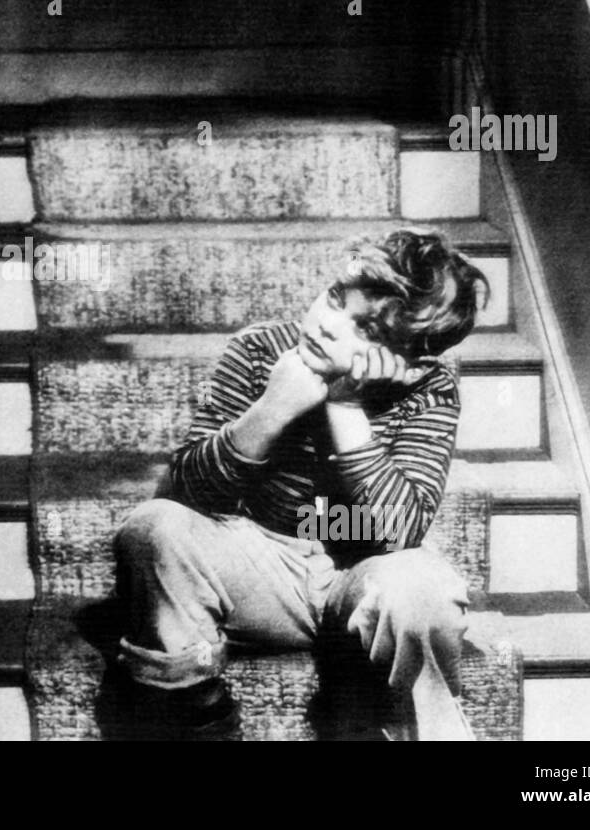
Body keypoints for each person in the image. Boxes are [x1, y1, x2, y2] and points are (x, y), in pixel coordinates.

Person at [106, 229, 488, 740]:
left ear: (411, 362)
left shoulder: (429, 389)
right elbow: (187, 495)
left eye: (368, 329)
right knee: (153, 527)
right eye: (335, 299)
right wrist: (273, 408)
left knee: (423, 587)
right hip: (257, 571)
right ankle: (192, 715)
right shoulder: (260, 348)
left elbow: (397, 534)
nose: (330, 325)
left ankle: (409, 726)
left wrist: (346, 408)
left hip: (358, 580)